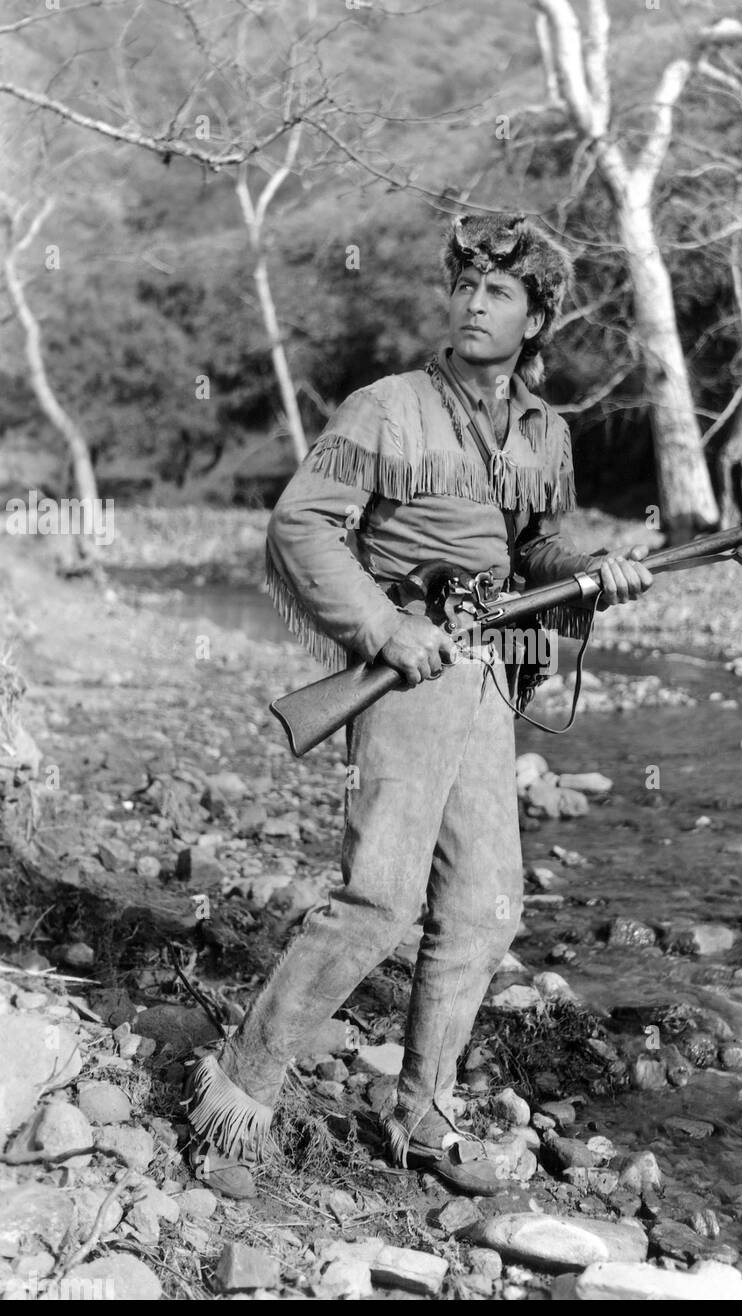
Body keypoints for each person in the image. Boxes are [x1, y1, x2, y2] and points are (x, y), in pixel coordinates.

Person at [183, 212, 652, 1185]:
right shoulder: (386, 406)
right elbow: (302, 525)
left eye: (500, 294)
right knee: (380, 899)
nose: (475, 305)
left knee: (484, 909)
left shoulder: (543, 431)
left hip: (483, 673)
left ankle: (422, 1118)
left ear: (535, 320)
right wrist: (383, 627)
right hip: (405, 664)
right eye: (466, 287)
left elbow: (538, 549)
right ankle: (240, 1087)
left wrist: (599, 566)